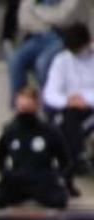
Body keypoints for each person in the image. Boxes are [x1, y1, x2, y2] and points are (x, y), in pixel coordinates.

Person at [0, 85, 71, 209]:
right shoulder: (10, 131)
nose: (24, 110)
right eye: (22, 107)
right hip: (16, 181)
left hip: (43, 182)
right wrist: (8, 174)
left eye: (28, 107)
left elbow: (65, 162)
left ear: (37, 105)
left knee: (59, 200)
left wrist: (53, 176)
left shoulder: (50, 131)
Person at [42, 22, 94, 178]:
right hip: (70, 109)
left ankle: (75, 160)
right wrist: (68, 101)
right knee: (65, 118)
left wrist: (85, 99)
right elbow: (50, 93)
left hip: (91, 107)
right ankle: (76, 160)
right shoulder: (61, 60)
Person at [8, 1, 84, 106]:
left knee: (43, 62)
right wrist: (48, 19)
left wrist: (36, 10)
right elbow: (24, 20)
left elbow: (63, 18)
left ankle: (49, 107)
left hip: (62, 37)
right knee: (15, 60)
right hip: (36, 37)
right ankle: (21, 108)